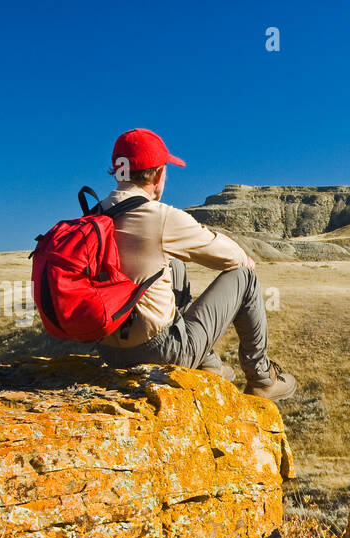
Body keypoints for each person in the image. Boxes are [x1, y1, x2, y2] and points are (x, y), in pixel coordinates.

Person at [94, 128, 296, 401]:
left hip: (108, 350)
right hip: (159, 351)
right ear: (157, 174)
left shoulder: (94, 215)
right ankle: (261, 378)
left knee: (173, 264)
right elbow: (228, 256)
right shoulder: (159, 217)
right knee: (244, 277)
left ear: (118, 171)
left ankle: (208, 365)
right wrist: (245, 259)